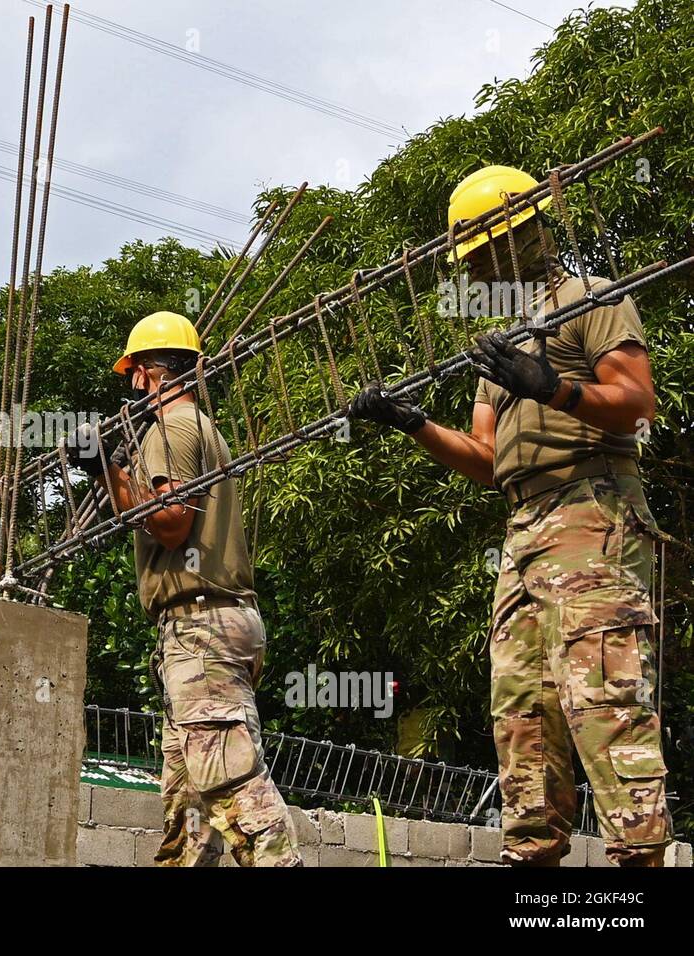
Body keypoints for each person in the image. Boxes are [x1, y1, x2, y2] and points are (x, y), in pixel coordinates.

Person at [349, 165, 671, 866]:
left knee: (606, 708)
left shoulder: (587, 297)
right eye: (476, 259)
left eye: (496, 249)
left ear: (530, 232)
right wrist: (412, 425)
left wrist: (556, 389)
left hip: (593, 513)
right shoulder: (502, 340)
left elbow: (638, 402)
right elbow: (488, 457)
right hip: (524, 531)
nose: (486, 266)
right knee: (523, 726)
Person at [68, 310, 302, 867]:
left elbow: (170, 523)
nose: (129, 386)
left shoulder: (169, 429)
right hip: (216, 624)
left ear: (150, 371)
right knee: (188, 807)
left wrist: (108, 472)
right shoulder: (200, 427)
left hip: (200, 627)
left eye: (133, 373)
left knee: (228, 783)